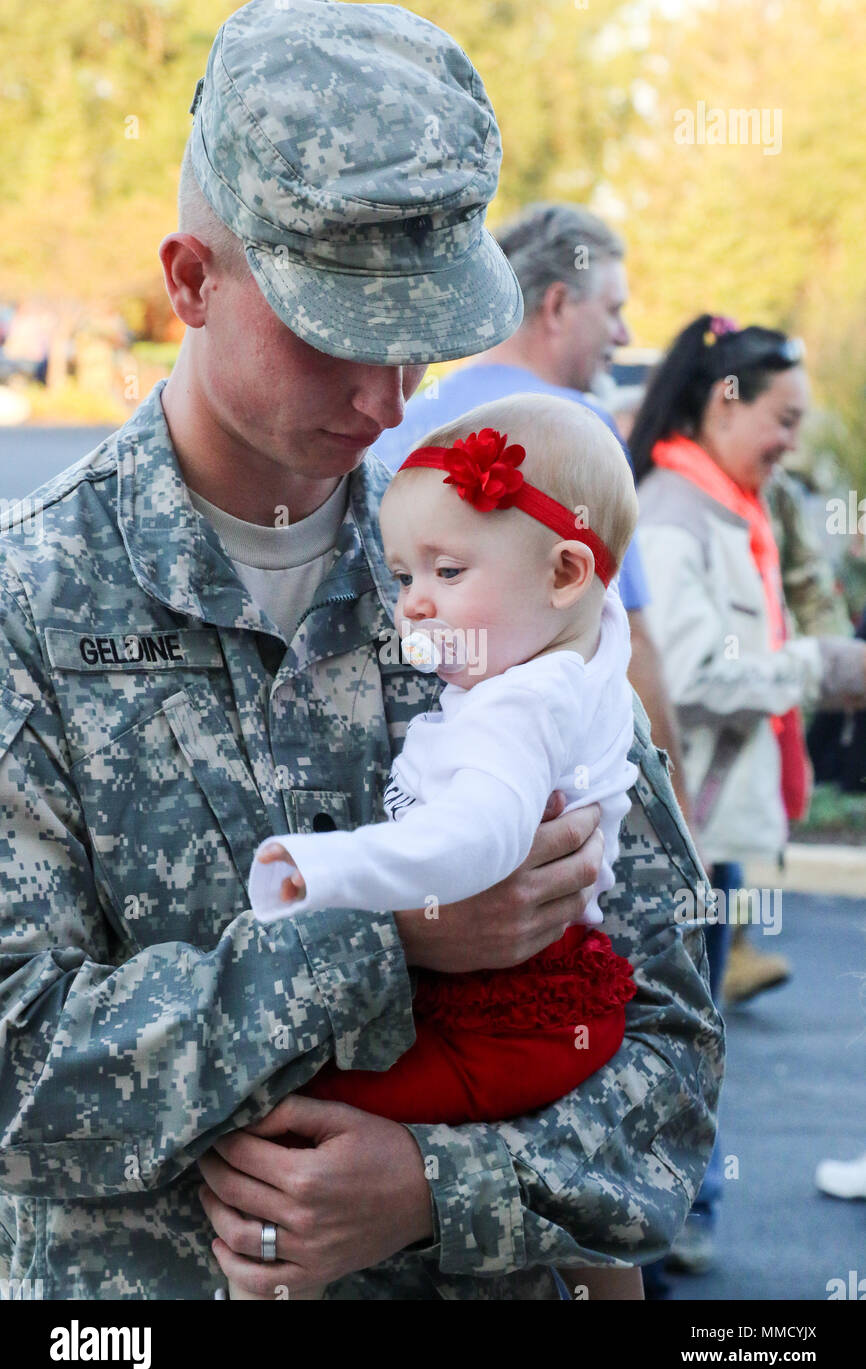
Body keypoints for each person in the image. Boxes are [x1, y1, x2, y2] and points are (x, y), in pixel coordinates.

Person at [0, 0, 722, 1300]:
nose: (391, 396)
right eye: (335, 329)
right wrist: (386, 940)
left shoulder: (500, 565)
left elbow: (671, 1060)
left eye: (420, 335)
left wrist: (433, 1192)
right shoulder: (30, 601)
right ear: (189, 283)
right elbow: (19, 1068)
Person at [241, 395, 640, 1300]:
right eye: (400, 572)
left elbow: (479, 840)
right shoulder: (573, 652)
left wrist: (330, 871)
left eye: (447, 571)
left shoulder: (515, 704)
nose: (412, 601)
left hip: (505, 1014)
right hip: (545, 1008)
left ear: (567, 570)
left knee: (290, 1124)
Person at [630, 311, 866, 1272]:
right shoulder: (677, 514)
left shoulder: (733, 507)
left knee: (696, 1027)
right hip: (691, 818)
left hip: (714, 818)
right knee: (678, 1031)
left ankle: (683, 1210)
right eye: (782, 419)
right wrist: (817, 667)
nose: (791, 443)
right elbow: (687, 677)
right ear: (723, 405)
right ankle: (665, 1219)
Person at [373, 202, 696, 829]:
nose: (624, 335)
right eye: (614, 310)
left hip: (415, 775)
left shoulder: (404, 422)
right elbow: (629, 635)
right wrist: (681, 823)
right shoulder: (579, 431)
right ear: (556, 306)